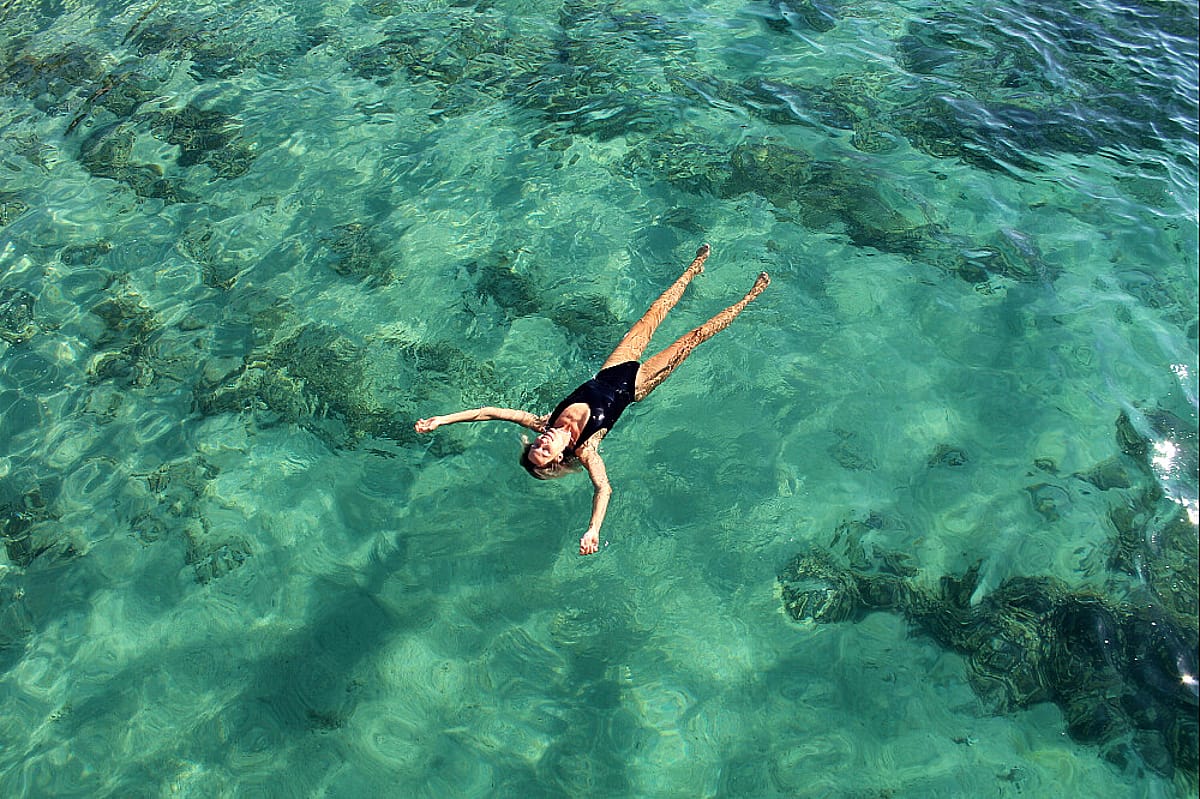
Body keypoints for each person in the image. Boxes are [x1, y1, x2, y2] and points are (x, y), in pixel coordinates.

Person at [414, 244, 770, 555]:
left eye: (537, 445)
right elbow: (603, 487)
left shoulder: (543, 421)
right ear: (556, 460)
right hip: (636, 385)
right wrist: (593, 529)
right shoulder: (587, 451)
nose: (542, 440)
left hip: (610, 369)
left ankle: (694, 268)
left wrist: (442, 420)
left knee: (652, 314)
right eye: (544, 450)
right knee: (693, 337)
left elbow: (488, 412)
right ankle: (749, 297)